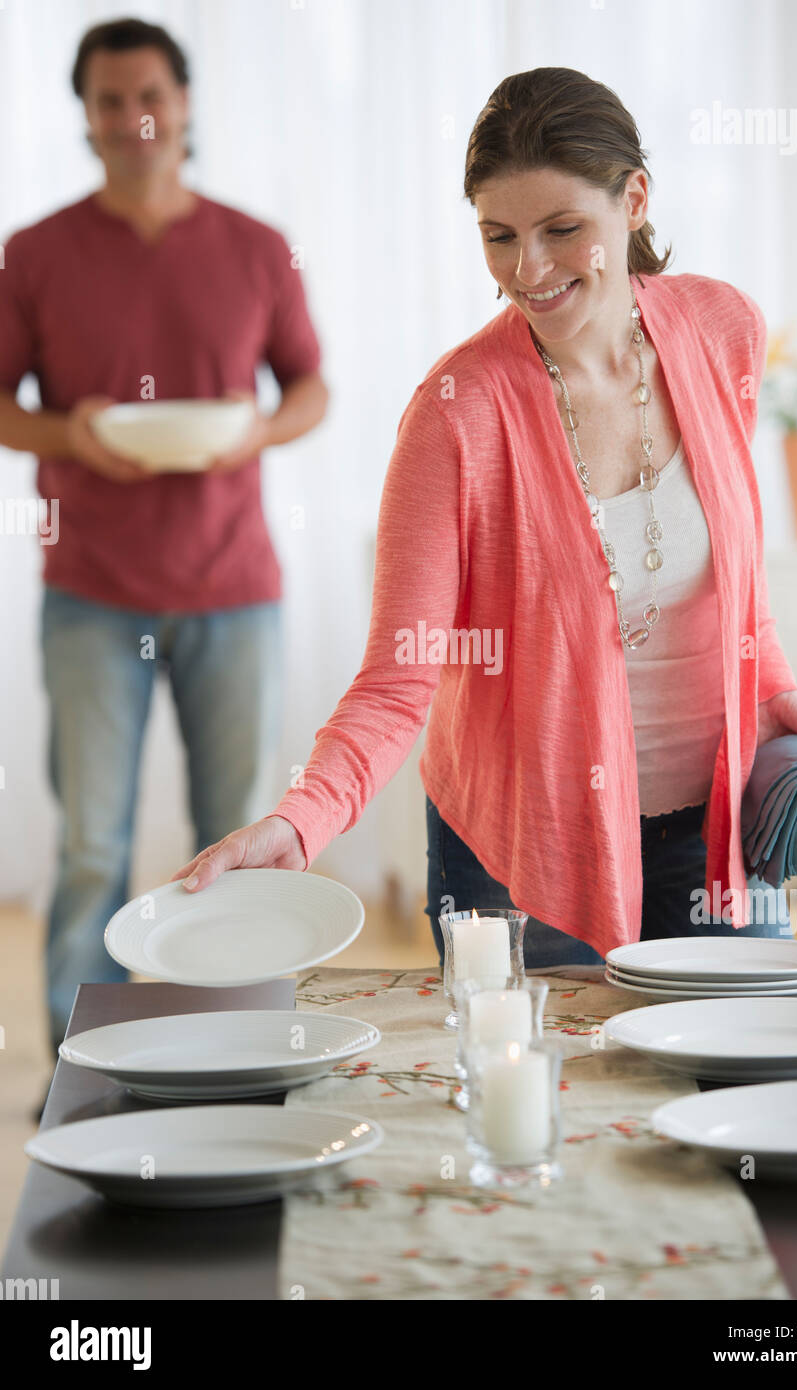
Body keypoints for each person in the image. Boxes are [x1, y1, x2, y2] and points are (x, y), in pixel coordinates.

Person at [172, 67, 797, 967]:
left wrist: (775, 690)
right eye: (499, 236)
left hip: (719, 818)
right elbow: (397, 680)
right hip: (525, 844)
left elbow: (733, 569)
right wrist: (302, 823)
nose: (527, 271)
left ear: (634, 201)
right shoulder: (456, 413)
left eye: (562, 230)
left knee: (740, 1081)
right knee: (548, 1101)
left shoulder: (723, 329)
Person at [0, 18, 327, 1099]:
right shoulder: (33, 253)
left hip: (235, 586)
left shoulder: (255, 243)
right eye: (107, 98)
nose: (133, 117)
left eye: (151, 93)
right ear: (84, 115)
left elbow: (309, 388)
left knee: (230, 837)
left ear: (185, 104)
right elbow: (3, 405)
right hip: (89, 589)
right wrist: (73, 433)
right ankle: (81, 1064)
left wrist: (251, 432)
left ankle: (228, 1053)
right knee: (91, 842)